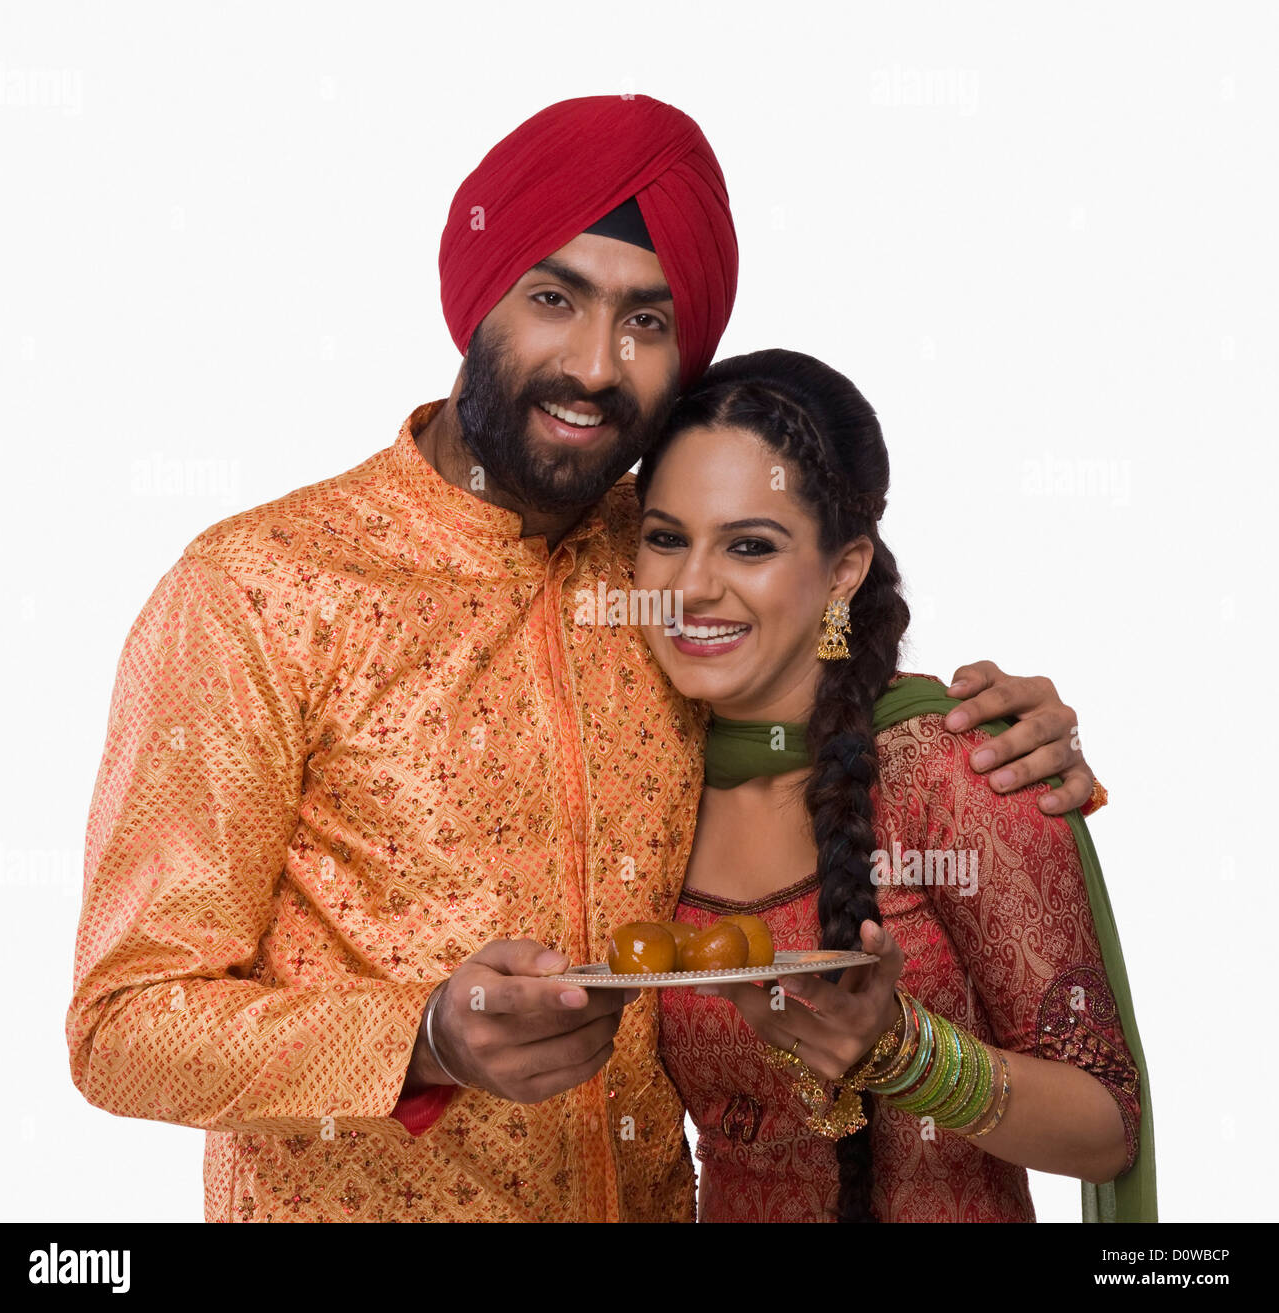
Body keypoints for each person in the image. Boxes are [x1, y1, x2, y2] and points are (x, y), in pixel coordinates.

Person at [66, 95, 1100, 1223]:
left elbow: (820, 696)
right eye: (554, 298)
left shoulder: (661, 560)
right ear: (478, 301)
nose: (595, 365)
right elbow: (124, 1025)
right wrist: (424, 1037)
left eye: (647, 322)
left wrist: (990, 733)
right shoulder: (258, 591)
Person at [631, 348, 1155, 1222]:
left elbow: (1108, 1123)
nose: (691, 587)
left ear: (845, 569)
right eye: (665, 538)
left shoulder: (953, 767)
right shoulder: (644, 770)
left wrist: (909, 1055)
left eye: (750, 545)